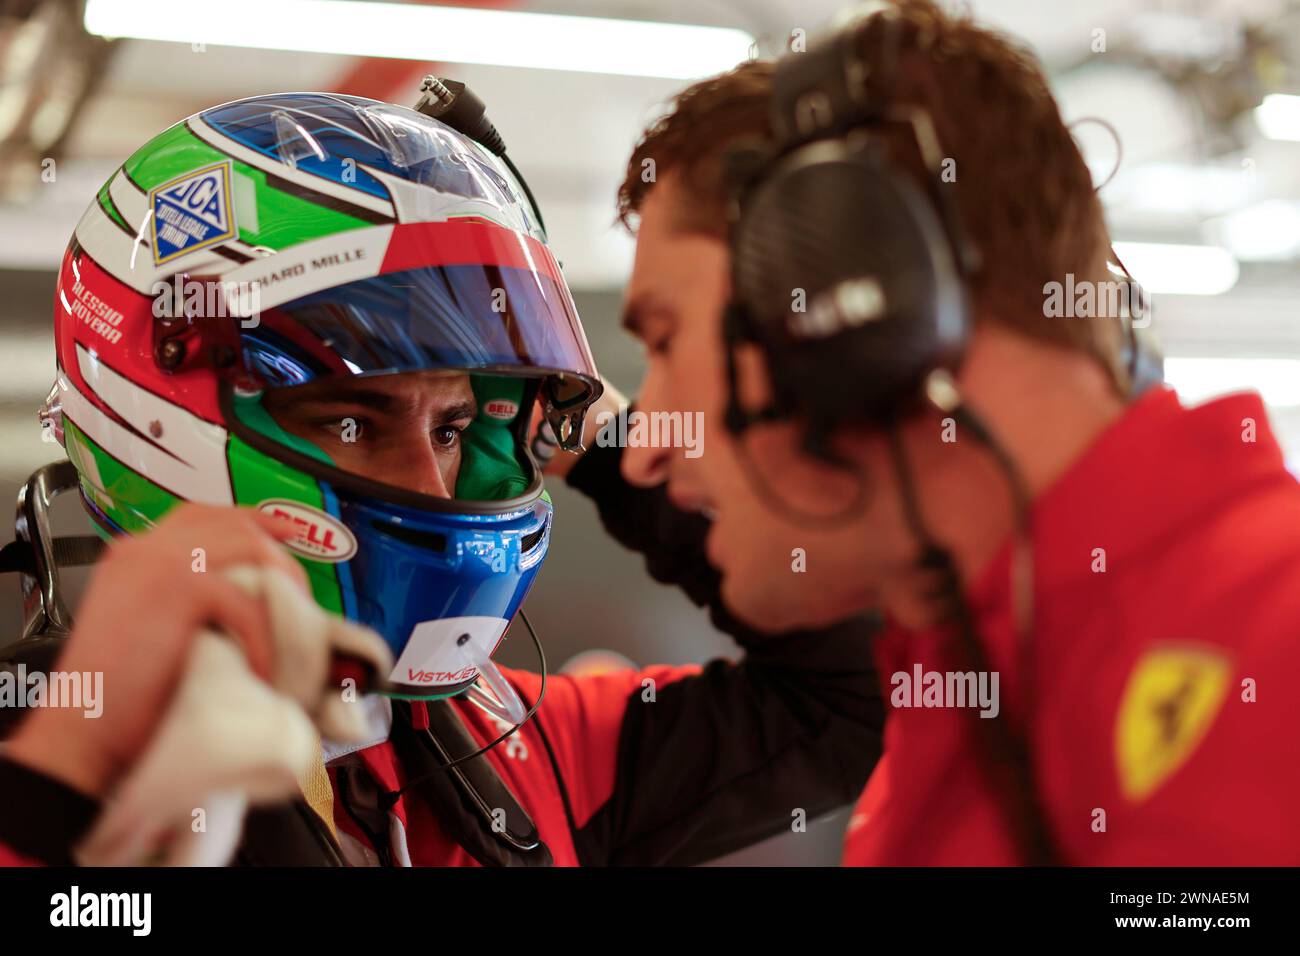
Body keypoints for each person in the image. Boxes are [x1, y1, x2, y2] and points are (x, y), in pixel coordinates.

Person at [0, 90, 883, 866]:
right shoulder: (45, 773)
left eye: (455, 426)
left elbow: (857, 696)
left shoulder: (516, 745)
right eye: (355, 421)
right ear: (163, 421)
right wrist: (65, 796)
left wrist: (592, 433)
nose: (431, 481)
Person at [612, 0, 1300, 864]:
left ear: (848, 311)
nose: (642, 450)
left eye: (668, 340)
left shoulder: (1275, 637)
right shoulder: (954, 713)